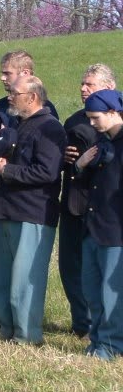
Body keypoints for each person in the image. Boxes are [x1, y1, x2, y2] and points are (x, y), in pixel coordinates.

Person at [0, 50, 60, 327]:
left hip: (31, 212)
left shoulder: (49, 127)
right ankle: (4, 329)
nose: (9, 97)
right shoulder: (17, 125)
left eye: (15, 94)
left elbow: (47, 171)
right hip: (3, 209)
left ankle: (26, 335)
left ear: (32, 97)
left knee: (24, 281)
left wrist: (5, 171)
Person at [59, 64, 114, 338]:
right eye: (83, 83)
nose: (83, 88)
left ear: (109, 89)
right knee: (70, 267)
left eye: (90, 84)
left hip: (103, 210)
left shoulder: (116, 126)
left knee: (102, 270)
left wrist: (84, 164)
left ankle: (103, 326)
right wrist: (67, 160)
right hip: (72, 202)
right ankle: (81, 322)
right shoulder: (73, 121)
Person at [75, 88, 123, 360]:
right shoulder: (102, 143)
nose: (92, 123)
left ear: (113, 112)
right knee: (92, 291)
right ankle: (97, 341)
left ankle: (112, 345)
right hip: (92, 227)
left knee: (112, 294)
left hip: (116, 231)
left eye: (95, 118)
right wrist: (80, 166)